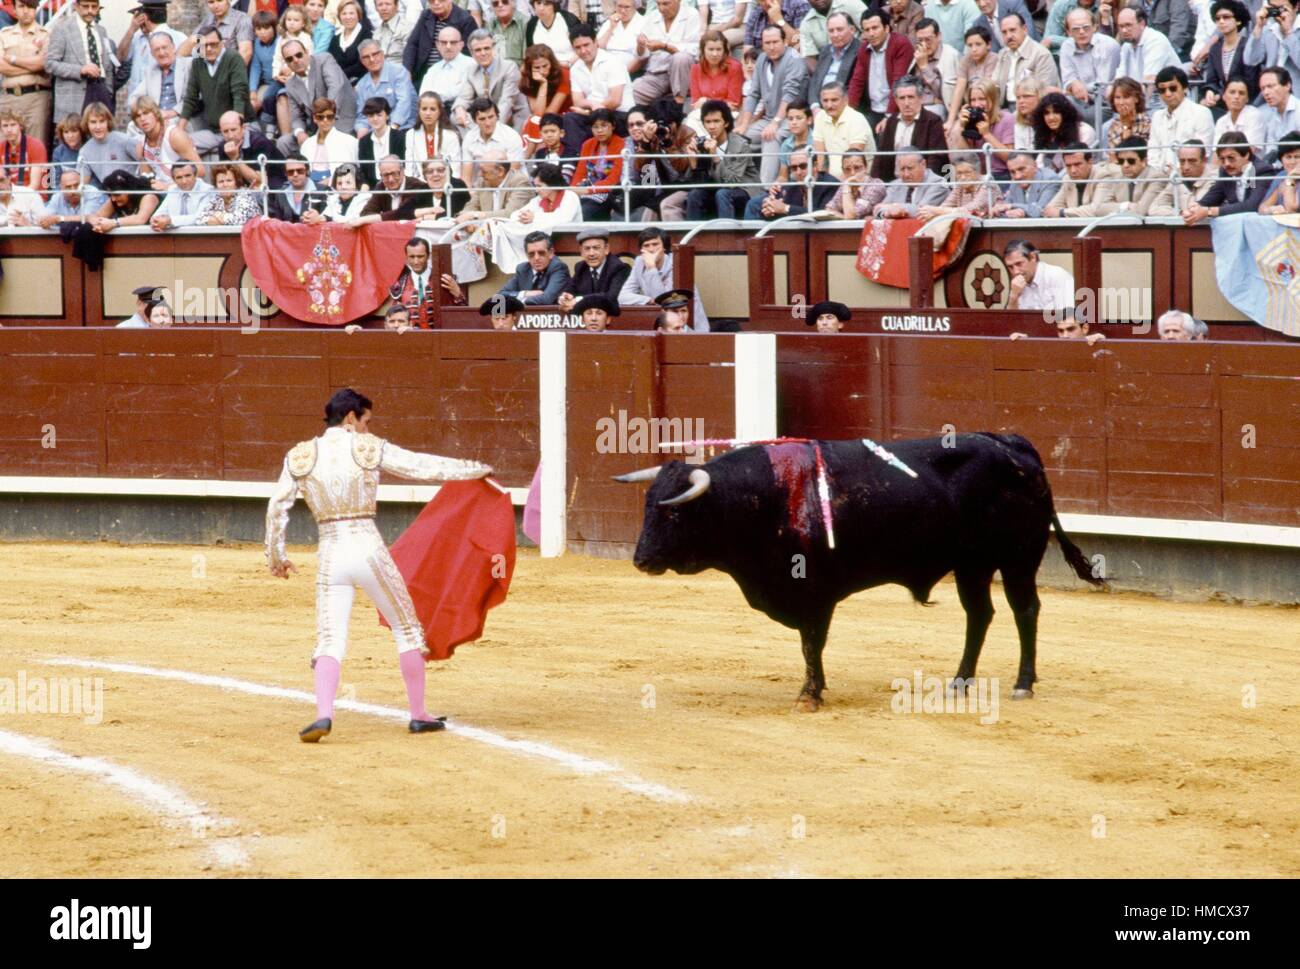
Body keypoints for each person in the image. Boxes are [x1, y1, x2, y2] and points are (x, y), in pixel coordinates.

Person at [265, 387, 494, 743]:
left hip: (330, 554)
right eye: (366, 421)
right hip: (368, 548)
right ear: (351, 418)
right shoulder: (367, 448)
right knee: (408, 631)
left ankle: (324, 714)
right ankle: (418, 715)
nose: (368, 430)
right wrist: (474, 470)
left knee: (329, 639)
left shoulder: (299, 456)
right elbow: (420, 465)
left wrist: (276, 557)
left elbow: (277, 507)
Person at [738, 25, 810, 184]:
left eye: (775, 42)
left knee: (771, 137)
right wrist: (744, 124)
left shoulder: (794, 60)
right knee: (740, 139)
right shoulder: (762, 59)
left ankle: (767, 188)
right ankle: (739, 186)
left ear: (785, 41)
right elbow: (753, 93)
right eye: (767, 42)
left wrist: (775, 123)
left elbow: (789, 94)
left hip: (792, 118)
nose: (771, 46)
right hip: (769, 117)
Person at [179, 25, 252, 155]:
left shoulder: (233, 58)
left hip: (240, 128)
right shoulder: (198, 61)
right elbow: (191, 97)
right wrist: (178, 131)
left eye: (213, 44)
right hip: (214, 131)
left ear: (222, 43)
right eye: (204, 45)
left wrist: (235, 131)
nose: (209, 49)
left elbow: (239, 93)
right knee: (181, 144)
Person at [276, 39, 358, 156]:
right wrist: (299, 132)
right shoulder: (290, 84)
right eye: (290, 59)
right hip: (315, 131)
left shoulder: (324, 60)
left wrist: (326, 118)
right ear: (286, 63)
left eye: (299, 55)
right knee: (284, 142)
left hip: (340, 122)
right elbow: (296, 117)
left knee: (332, 142)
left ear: (307, 52)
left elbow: (335, 87)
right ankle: (298, 172)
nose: (295, 60)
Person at [618, 226, 709, 330]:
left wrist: (651, 268)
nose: (651, 249)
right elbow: (622, 296)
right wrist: (648, 300)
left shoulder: (675, 264)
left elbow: (664, 301)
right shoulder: (639, 262)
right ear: (642, 250)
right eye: (646, 245)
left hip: (691, 328)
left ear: (664, 247)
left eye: (655, 244)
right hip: (665, 326)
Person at [45, 0, 118, 125]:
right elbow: (50, 64)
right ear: (76, 6)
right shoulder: (63, 29)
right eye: (85, 6)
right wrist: (80, 70)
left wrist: (108, 91)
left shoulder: (101, 31)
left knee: (102, 137)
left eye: (94, 7)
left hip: (100, 89)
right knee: (76, 139)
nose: (90, 10)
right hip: (74, 95)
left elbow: (107, 65)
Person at [564, 23, 632, 155]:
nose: (583, 51)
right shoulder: (575, 69)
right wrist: (591, 104)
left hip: (618, 115)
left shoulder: (613, 62)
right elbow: (577, 101)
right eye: (577, 47)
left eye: (586, 45)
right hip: (593, 115)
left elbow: (615, 101)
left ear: (595, 42)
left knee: (594, 122)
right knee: (570, 119)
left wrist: (590, 112)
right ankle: (576, 164)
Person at [685, 98, 760, 218]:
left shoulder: (740, 145)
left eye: (716, 121)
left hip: (745, 189)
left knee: (723, 194)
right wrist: (694, 161)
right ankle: (694, 236)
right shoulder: (703, 142)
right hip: (718, 188)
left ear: (726, 123)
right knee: (695, 195)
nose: (712, 126)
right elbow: (700, 184)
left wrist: (715, 156)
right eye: (708, 122)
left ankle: (726, 234)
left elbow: (732, 182)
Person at [1184, 130, 1275, 222]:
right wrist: (1195, 208)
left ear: (1246, 155)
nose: (1226, 164)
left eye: (1231, 158)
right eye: (1222, 159)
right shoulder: (1225, 171)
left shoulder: (1260, 170)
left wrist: (1209, 211)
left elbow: (1251, 206)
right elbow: (1212, 197)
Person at [871, 75, 948, 181]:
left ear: (921, 98)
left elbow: (936, 160)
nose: (906, 103)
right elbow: (880, 159)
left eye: (911, 97)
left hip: (923, 183)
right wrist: (874, 183)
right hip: (894, 183)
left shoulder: (933, 121)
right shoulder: (891, 121)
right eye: (902, 98)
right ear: (896, 100)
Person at [847, 9, 913, 130]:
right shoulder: (863, 49)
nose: (871, 33)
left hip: (898, 109)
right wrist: (848, 113)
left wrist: (889, 116)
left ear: (887, 28)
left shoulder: (900, 44)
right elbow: (857, 82)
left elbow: (898, 83)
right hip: (873, 109)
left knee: (884, 135)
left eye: (875, 28)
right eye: (867, 30)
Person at [0, 0, 51, 148]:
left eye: (30, 7)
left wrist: (14, 60)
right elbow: (1, 66)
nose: (26, 11)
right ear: (14, 9)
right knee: (5, 148)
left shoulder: (45, 34)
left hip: (36, 99)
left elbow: (43, 63)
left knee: (37, 146)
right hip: (8, 98)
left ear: (36, 9)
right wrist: (32, 66)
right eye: (21, 6)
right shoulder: (4, 34)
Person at [453, 30, 526, 132]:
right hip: (485, 119)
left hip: (511, 117)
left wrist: (490, 126)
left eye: (487, 48)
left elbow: (507, 102)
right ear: (471, 53)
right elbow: (464, 97)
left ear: (494, 48)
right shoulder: (471, 70)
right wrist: (459, 109)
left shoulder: (509, 67)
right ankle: (474, 144)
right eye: (478, 50)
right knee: (456, 116)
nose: (483, 53)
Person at [633, 0, 701, 106]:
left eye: (665, 4)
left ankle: (678, 104)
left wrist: (665, 46)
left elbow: (695, 51)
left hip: (683, 76)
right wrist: (640, 45)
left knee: (680, 58)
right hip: (656, 75)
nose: (661, 8)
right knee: (631, 93)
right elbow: (642, 55)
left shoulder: (692, 14)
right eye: (658, 4)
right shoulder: (653, 16)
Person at [1147, 65, 1215, 170]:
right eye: (1162, 90)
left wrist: (1176, 172)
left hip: (1192, 176)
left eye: (1172, 88)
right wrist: (1160, 172)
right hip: (1159, 176)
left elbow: (1203, 153)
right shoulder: (1157, 117)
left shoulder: (1201, 113)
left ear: (1185, 88)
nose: (1168, 94)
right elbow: (1152, 153)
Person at [743, 147, 840, 217]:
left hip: (822, 237)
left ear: (815, 166)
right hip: (797, 237)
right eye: (794, 168)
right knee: (754, 204)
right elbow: (779, 208)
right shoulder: (792, 186)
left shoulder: (830, 184)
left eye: (803, 166)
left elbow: (823, 214)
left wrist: (786, 208)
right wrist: (770, 208)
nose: (798, 172)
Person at [133, 96, 204, 190]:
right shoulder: (141, 146)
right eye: (138, 116)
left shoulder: (175, 135)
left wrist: (168, 187)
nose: (142, 118)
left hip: (187, 189)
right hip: (161, 192)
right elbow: (147, 179)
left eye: (146, 113)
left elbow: (200, 171)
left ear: (155, 113)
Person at [1058, 7, 1120, 117]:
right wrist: (1072, 84)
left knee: (1073, 116)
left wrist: (1080, 87)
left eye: (1086, 27)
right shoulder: (1066, 46)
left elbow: (1103, 86)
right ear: (1068, 32)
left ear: (1095, 27)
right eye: (1076, 29)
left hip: (1106, 104)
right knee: (1056, 107)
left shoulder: (1108, 45)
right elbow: (1067, 79)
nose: (1081, 32)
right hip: (1079, 100)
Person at [568, 106, 623, 220]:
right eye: (595, 127)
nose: (599, 130)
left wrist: (590, 190)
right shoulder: (587, 144)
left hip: (609, 193)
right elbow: (580, 173)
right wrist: (573, 191)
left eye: (604, 125)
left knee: (584, 211)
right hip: (586, 190)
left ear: (613, 125)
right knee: (568, 206)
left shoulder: (621, 145)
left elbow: (615, 179)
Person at [1200, 1, 1257, 108]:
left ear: (1238, 21)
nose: (1221, 21)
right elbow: (1211, 81)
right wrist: (1210, 92)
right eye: (1217, 18)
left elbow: (1250, 82)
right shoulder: (1215, 48)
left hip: (1246, 102)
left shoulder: (1248, 46)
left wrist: (1220, 96)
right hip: (1222, 103)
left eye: (1226, 17)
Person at [354, 39, 418, 135]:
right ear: (362, 61)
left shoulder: (399, 72)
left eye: (375, 54)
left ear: (382, 54)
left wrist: (390, 131)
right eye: (366, 57)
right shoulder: (362, 85)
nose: (372, 59)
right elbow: (362, 116)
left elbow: (404, 104)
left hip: (403, 128)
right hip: (376, 132)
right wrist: (361, 130)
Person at [556, 226, 629, 309]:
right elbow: (571, 288)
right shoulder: (580, 267)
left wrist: (578, 300)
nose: (591, 253)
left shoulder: (619, 268)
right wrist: (565, 296)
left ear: (606, 249)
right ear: (581, 252)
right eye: (587, 249)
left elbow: (610, 297)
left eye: (596, 248)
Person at [1042, 140, 1122, 216]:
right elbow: (1050, 209)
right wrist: (1058, 212)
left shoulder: (1103, 176)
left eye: (1077, 164)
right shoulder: (1068, 179)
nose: (1073, 170)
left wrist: (1062, 213)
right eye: (1068, 166)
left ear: (1090, 162)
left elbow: (1097, 210)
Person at [129, 31, 194, 124]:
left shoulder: (189, 65)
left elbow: (194, 97)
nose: (162, 53)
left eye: (164, 47)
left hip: (181, 117)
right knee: (132, 126)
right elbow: (134, 98)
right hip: (157, 119)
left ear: (174, 47)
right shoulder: (150, 71)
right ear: (152, 54)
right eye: (157, 49)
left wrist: (172, 112)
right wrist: (147, 113)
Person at [811, 81, 872, 176]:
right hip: (833, 181)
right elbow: (820, 157)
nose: (829, 105)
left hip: (860, 178)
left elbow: (853, 162)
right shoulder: (820, 117)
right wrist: (820, 182)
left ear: (845, 100)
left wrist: (837, 187)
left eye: (834, 100)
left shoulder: (857, 119)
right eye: (825, 100)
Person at [496, 229, 571, 304]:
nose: (536, 258)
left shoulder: (558, 267)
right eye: (531, 254)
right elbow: (500, 296)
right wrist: (525, 294)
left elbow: (546, 299)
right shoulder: (522, 269)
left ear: (551, 253)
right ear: (526, 255)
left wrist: (518, 302)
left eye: (541, 253)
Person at [460, 96, 524, 183]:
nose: (488, 123)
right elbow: (466, 178)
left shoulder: (511, 137)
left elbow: (512, 174)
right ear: (475, 121)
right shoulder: (469, 138)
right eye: (482, 119)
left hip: (511, 186)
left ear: (497, 116)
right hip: (481, 187)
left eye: (491, 117)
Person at [916, 149, 1000, 216]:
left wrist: (936, 211)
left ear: (978, 171)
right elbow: (946, 205)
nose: (963, 177)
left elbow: (972, 209)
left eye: (967, 172)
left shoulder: (988, 183)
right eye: (959, 173)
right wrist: (932, 213)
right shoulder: (960, 185)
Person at [458, 145, 533, 219]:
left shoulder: (520, 182)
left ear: (500, 171)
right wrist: (465, 218)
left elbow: (510, 214)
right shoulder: (483, 181)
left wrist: (475, 215)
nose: (479, 174)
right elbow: (470, 206)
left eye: (484, 171)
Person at [78, 103, 140, 189]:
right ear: (86, 124)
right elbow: (83, 184)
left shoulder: (124, 140)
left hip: (131, 190)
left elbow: (146, 161)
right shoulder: (85, 151)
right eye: (93, 122)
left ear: (108, 122)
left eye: (102, 121)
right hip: (107, 193)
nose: (98, 127)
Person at [518, 43, 570, 147]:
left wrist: (543, 84)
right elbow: (538, 112)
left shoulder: (563, 74)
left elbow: (550, 113)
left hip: (565, 115)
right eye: (537, 67)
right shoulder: (527, 78)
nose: (542, 71)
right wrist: (543, 85)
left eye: (545, 66)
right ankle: (525, 159)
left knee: (542, 126)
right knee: (533, 122)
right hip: (542, 116)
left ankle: (538, 159)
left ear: (551, 63)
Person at [218, 110, 285, 189]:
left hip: (274, 183)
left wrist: (235, 159)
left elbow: (259, 180)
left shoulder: (259, 142)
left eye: (233, 130)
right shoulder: (223, 146)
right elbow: (224, 176)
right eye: (225, 131)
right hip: (245, 187)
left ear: (243, 128)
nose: (230, 135)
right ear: (221, 132)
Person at [1004, 238, 1074, 313]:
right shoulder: (1017, 285)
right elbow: (1011, 322)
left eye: (1019, 264)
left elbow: (1067, 318)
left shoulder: (1058, 276)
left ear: (1033, 257)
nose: (1015, 272)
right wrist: (1014, 297)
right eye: (1010, 267)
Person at [807, 12, 860, 111]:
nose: (835, 35)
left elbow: (855, 88)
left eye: (839, 30)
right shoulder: (825, 50)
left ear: (852, 30)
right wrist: (815, 107)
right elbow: (815, 82)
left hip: (843, 108)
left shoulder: (860, 51)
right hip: (820, 106)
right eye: (831, 31)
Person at [1032, 92, 1096, 172]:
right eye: (1046, 113)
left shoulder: (1085, 131)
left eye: (1056, 112)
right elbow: (1040, 164)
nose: (1051, 117)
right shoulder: (1047, 134)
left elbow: (1079, 166)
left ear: (1065, 113)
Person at [873, 147, 948, 215]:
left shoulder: (938, 183)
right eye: (902, 169)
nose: (906, 174)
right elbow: (877, 210)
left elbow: (922, 211)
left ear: (923, 164)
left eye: (910, 168)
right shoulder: (896, 185)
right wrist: (887, 212)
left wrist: (896, 208)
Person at [358, 153, 433, 220]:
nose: (390, 179)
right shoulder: (381, 186)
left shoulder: (417, 186)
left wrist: (379, 218)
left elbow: (402, 214)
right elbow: (365, 213)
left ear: (403, 171)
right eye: (386, 175)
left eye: (394, 173)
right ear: (381, 175)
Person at [947, 23, 997, 122]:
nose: (973, 49)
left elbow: (986, 89)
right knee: (953, 130)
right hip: (971, 105)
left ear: (988, 45)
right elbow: (959, 89)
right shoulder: (965, 60)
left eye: (978, 44)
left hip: (988, 107)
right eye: (970, 45)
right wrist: (950, 120)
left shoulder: (993, 59)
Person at [405, 91, 462, 175]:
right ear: (419, 111)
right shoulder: (411, 134)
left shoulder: (451, 136)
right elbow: (410, 169)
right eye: (424, 109)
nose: (428, 113)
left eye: (432, 109)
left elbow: (455, 170)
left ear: (439, 112)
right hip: (420, 185)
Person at [149, 161, 215, 230]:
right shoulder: (173, 190)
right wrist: (155, 221)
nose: (184, 181)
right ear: (173, 179)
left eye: (187, 176)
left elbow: (200, 217)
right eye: (179, 177)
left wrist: (170, 221)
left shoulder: (207, 190)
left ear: (195, 175)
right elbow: (159, 214)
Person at [357, 96, 408, 186]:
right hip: (373, 188)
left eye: (379, 114)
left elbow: (404, 166)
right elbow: (363, 171)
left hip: (398, 184)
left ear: (387, 115)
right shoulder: (364, 142)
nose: (375, 119)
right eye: (371, 115)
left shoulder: (399, 137)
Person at [822, 150, 886, 217]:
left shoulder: (875, 185)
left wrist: (847, 187)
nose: (852, 173)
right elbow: (829, 209)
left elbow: (851, 215)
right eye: (847, 169)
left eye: (857, 167)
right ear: (843, 170)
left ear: (865, 167)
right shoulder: (845, 184)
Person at [267, 153, 328, 221]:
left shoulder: (323, 191)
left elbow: (330, 218)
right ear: (285, 174)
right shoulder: (280, 194)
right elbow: (276, 222)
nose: (295, 174)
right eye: (290, 172)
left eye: (300, 171)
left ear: (307, 171)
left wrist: (318, 218)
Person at [1103, 74, 1150, 157]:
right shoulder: (1113, 124)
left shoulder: (1147, 123)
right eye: (1117, 97)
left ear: (1136, 98)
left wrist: (1126, 126)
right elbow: (1113, 157)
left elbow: (1132, 155)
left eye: (1126, 97)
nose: (1121, 102)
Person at [525, 0, 580, 68]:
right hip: (544, 70)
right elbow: (531, 52)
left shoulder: (568, 19)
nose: (541, 8)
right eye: (538, 3)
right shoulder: (531, 25)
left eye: (547, 4)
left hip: (571, 67)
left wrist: (569, 64)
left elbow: (581, 47)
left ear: (554, 5)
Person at [1257, 129, 1300, 213]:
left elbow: (1291, 209)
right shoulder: (1281, 175)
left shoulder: (1287, 178)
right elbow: (1262, 207)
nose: (1292, 162)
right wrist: (1270, 209)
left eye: (1297, 157)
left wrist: (1290, 180)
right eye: (1288, 157)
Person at [0, 110, 43, 194]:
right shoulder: (1, 147)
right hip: (7, 196)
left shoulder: (36, 145)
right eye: (5, 126)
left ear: (20, 126)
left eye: (13, 125)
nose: (9, 129)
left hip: (32, 195)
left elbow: (35, 184)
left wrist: (16, 198)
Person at [329, 0, 373, 81]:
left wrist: (341, 75)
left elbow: (363, 65)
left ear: (358, 15)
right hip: (336, 81)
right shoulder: (335, 38)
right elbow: (330, 62)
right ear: (339, 16)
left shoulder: (366, 35)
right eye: (344, 13)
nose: (348, 17)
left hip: (360, 81)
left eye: (351, 13)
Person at [598, 0, 645, 73]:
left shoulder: (644, 22)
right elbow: (599, 47)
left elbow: (643, 57)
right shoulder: (610, 22)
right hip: (606, 67)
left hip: (629, 70)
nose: (622, 11)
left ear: (635, 7)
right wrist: (611, 28)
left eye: (627, 7)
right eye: (619, 6)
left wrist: (623, 74)